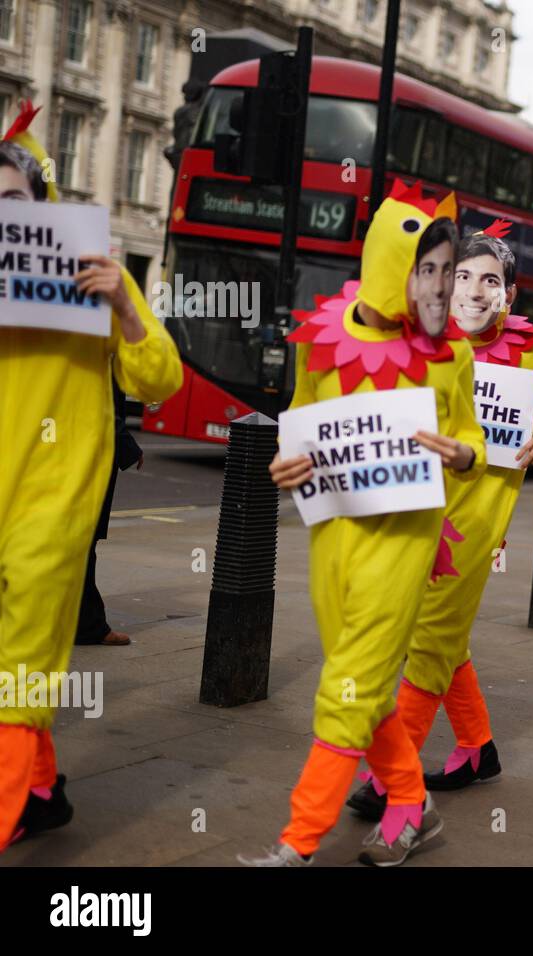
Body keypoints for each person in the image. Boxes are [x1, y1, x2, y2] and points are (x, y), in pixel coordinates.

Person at [238, 184, 485, 867]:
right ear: (387, 260)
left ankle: (299, 840)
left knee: (347, 684)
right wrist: (284, 463)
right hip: (333, 536)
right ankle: (411, 804)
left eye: (444, 269)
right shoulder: (322, 338)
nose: (436, 284)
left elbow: (471, 437)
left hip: (406, 540)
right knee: (364, 678)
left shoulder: (452, 354)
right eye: (425, 268)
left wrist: (463, 453)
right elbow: (296, 421)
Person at [345, 220, 533, 820]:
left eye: (490, 279)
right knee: (438, 635)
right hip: (413, 510)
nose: (474, 289)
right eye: (462, 275)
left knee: (431, 638)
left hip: (476, 520)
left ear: (509, 295)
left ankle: (391, 778)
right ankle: (478, 746)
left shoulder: (531, 351)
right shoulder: (427, 339)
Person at [1, 101, 183, 849]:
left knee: (20, 669)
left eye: (12, 202)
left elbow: (159, 380)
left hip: (54, 501)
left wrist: (124, 308)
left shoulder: (96, 277)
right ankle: (42, 793)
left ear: (43, 208)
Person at [75, 383, 143, 647]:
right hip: (85, 462)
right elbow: (104, 408)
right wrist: (128, 448)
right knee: (82, 546)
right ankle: (89, 626)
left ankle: (86, 623)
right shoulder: (102, 347)